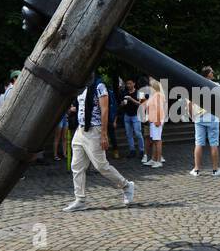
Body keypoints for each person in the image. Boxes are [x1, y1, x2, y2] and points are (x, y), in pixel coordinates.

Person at [63, 73, 134, 212]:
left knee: (101, 166)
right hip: (81, 129)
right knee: (76, 166)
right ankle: (80, 200)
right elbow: (82, 106)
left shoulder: (99, 86)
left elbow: (105, 109)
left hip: (95, 129)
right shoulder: (82, 87)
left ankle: (126, 185)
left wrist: (103, 134)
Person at [190, 66, 220, 177]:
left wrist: (192, 116)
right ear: (208, 74)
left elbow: (190, 103)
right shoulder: (217, 85)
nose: (213, 72)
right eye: (211, 71)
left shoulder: (196, 85)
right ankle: (215, 170)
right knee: (214, 144)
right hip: (212, 117)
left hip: (199, 117)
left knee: (198, 143)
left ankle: (196, 169)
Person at [120, 77, 145, 160]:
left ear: (134, 83)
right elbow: (121, 104)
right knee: (129, 134)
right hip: (127, 115)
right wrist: (122, 104)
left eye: (130, 83)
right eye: (127, 84)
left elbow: (141, 104)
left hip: (136, 116)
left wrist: (131, 99)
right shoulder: (124, 93)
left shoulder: (140, 92)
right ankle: (132, 150)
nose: (128, 85)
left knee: (138, 133)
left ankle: (142, 150)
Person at [144, 78, 167, 168]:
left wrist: (157, 120)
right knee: (154, 140)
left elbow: (159, 109)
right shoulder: (154, 95)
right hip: (153, 120)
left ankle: (158, 161)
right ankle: (153, 159)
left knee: (157, 140)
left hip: (156, 120)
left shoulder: (157, 95)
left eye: (150, 86)